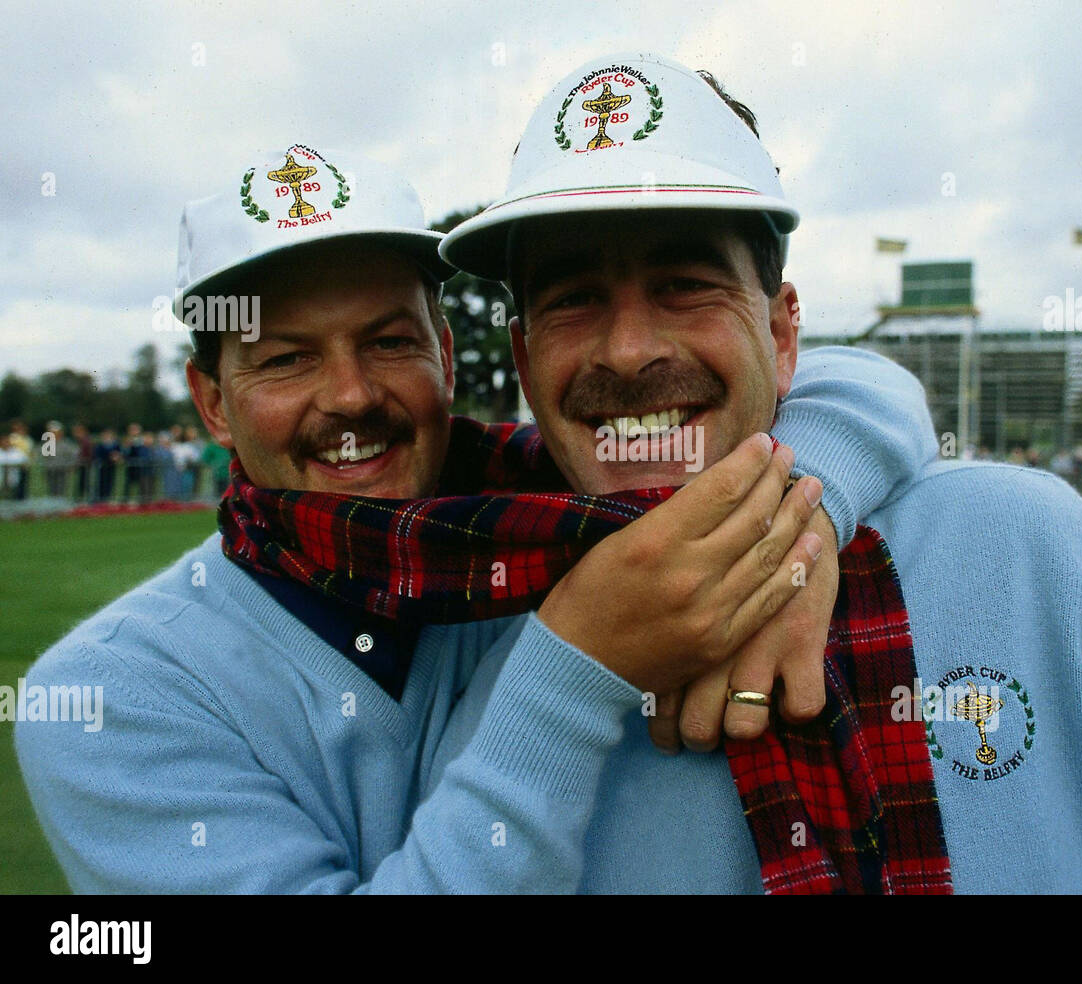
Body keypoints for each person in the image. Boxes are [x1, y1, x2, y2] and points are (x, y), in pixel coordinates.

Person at [428, 53, 1082, 892]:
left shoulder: (1033, 548)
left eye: (685, 283)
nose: (628, 350)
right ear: (522, 353)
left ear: (781, 332)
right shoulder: (473, 644)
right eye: (572, 299)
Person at [15, 142, 936, 892]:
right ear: (212, 403)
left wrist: (786, 520)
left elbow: (848, 384)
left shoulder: (536, 515)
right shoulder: (107, 700)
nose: (349, 395)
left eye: (389, 342)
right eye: (288, 359)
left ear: (448, 358)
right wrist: (574, 664)